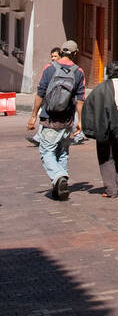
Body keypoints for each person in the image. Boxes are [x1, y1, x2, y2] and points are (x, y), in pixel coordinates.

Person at [26, 39, 85, 199]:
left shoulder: (50, 68)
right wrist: (80, 121)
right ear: (75, 53)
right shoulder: (78, 72)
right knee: (63, 152)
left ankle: (58, 177)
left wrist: (33, 116)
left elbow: (40, 93)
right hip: (67, 121)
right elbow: (80, 99)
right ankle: (60, 183)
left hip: (50, 119)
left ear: (61, 51)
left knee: (46, 151)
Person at [81, 61, 118, 198]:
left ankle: (110, 188)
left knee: (105, 156)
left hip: (106, 125)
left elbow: (90, 104)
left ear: (107, 73)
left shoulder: (102, 88)